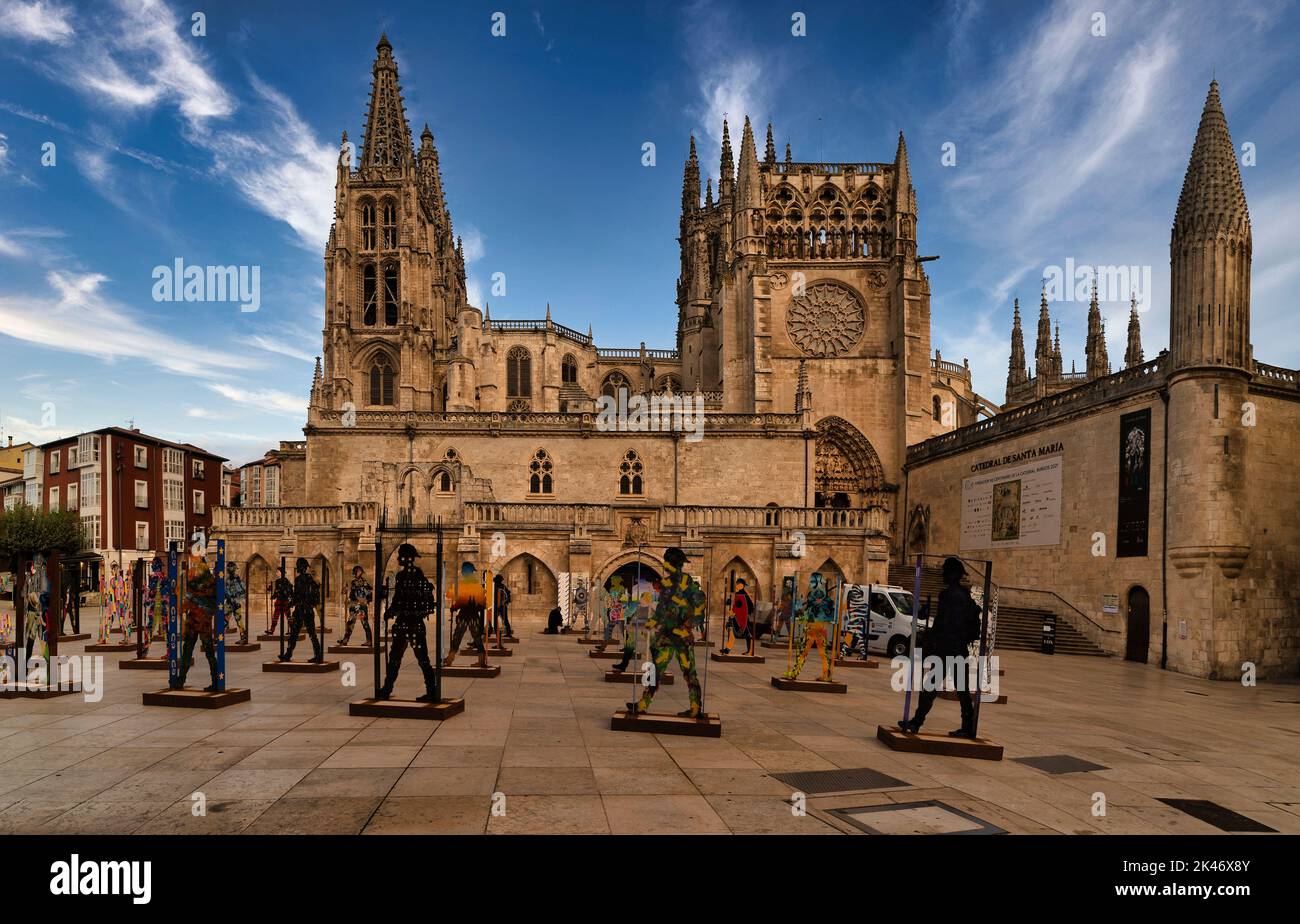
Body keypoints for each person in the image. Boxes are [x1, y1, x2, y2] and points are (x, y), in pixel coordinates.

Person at [898, 557, 983, 739]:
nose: (943, 575)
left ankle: (916, 722)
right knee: (961, 690)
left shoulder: (949, 596)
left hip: (948, 648)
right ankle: (965, 726)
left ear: (951, 574)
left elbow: (944, 623)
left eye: (945, 572)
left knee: (932, 687)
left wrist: (932, 638)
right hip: (957, 648)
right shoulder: (963, 595)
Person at [626, 547, 705, 718]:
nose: (665, 564)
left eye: (666, 561)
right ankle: (642, 704)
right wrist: (651, 623)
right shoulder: (667, 584)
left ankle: (695, 707)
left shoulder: (686, 582)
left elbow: (700, 600)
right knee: (657, 670)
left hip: (681, 636)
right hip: (668, 637)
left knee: (688, 672)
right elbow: (662, 610)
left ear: (671, 563)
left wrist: (691, 622)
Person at [378, 543, 440, 701]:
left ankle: (388, 689)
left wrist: (391, 611)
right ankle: (429, 691)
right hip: (411, 624)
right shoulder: (408, 577)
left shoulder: (410, 577)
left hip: (408, 623)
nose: (399, 558)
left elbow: (402, 600)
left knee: (404, 659)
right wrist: (390, 611)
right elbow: (398, 600)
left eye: (401, 556)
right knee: (413, 659)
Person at [782, 572, 836, 682]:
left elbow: (818, 609)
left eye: (812, 581)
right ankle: (826, 675)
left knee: (805, 651)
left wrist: (803, 611)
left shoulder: (816, 594)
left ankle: (795, 672)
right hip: (818, 627)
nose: (811, 583)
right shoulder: (819, 594)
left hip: (814, 627)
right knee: (821, 652)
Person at [178, 553, 220, 691]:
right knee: (207, 652)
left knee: (188, 650)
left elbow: (189, 598)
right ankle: (215, 682)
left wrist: (182, 608)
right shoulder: (211, 581)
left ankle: (180, 680)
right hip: (202, 620)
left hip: (196, 620)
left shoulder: (196, 580)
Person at [442, 562, 488, 668]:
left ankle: (450, 659)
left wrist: (454, 607)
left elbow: (454, 598)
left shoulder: (462, 585)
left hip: (464, 616)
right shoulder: (477, 586)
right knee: (477, 639)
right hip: (475, 616)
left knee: (457, 637)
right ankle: (481, 661)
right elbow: (483, 603)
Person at [278, 558, 323, 663]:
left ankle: (318, 655)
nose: (300, 569)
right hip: (299, 609)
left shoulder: (310, 580)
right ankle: (288, 654)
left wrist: (310, 603)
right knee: (294, 633)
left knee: (312, 634)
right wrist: (290, 602)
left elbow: (315, 595)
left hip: (306, 610)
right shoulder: (298, 579)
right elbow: (296, 595)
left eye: (301, 567)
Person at [341, 565, 374, 646]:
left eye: (359, 571)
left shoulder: (364, 582)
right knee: (350, 622)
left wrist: (367, 600)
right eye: (357, 571)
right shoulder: (352, 581)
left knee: (364, 622)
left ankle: (369, 640)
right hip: (354, 605)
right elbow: (348, 591)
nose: (358, 573)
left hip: (362, 606)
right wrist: (345, 591)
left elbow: (370, 590)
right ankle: (345, 640)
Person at [721, 578, 755, 655]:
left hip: (743, 618)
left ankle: (750, 650)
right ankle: (728, 649)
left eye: (738, 584)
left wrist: (732, 612)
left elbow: (744, 606)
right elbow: (736, 606)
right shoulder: (739, 594)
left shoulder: (743, 594)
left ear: (742, 585)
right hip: (737, 617)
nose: (737, 585)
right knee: (732, 632)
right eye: (737, 583)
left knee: (747, 634)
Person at [99, 560, 131, 644]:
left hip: (119, 604)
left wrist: (123, 601)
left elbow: (123, 592)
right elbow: (111, 592)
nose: (113, 571)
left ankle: (126, 637)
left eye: (114, 569)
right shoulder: (112, 580)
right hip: (112, 604)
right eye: (112, 569)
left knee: (122, 621)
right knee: (109, 620)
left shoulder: (121, 581)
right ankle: (106, 638)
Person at [225, 563, 248, 645]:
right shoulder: (228, 579)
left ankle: (243, 637)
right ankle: (219, 637)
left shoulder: (236, 579)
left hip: (235, 601)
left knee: (238, 620)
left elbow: (242, 590)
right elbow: (226, 590)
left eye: (229, 568)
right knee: (224, 619)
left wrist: (236, 598)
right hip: (229, 601)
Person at [267, 567, 292, 636]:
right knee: (276, 616)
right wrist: (272, 593)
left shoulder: (286, 581)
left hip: (284, 601)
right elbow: (276, 590)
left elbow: (288, 590)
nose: (276, 573)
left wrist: (277, 593)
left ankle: (292, 630)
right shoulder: (277, 581)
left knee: (288, 616)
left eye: (277, 572)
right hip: (280, 600)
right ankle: (271, 630)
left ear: (281, 573)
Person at [491, 574, 513, 639]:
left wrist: (506, 601)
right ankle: (507, 633)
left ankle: (508, 633)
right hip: (497, 605)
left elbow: (508, 593)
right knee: (494, 620)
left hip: (500, 606)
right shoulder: (496, 586)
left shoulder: (500, 586)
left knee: (504, 620)